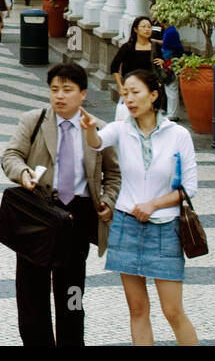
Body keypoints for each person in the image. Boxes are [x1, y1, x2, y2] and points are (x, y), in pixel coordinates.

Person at [2, 62, 120, 347]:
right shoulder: (35, 120)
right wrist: (23, 173)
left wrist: (107, 200)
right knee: (31, 296)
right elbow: (11, 155)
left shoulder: (98, 130)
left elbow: (114, 174)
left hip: (76, 218)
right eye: (54, 89)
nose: (59, 96)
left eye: (67, 90)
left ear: (83, 93)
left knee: (72, 296)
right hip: (39, 215)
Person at [81, 68, 198, 346]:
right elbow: (98, 143)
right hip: (126, 226)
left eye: (136, 92)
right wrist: (89, 131)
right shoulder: (120, 130)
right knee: (137, 309)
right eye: (126, 94)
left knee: (172, 311)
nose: (129, 99)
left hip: (166, 228)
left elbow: (189, 188)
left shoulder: (178, 134)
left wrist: (154, 204)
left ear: (154, 95)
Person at [110, 17, 156, 122]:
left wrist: (162, 63)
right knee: (127, 119)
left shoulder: (155, 48)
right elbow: (114, 67)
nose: (147, 29)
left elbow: (160, 67)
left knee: (147, 119)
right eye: (143, 27)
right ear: (135, 29)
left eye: (149, 27)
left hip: (148, 91)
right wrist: (120, 86)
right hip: (130, 89)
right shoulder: (128, 47)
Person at [157, 18, 186, 121]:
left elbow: (171, 49)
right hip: (171, 60)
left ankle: (172, 113)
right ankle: (171, 112)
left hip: (171, 61)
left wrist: (168, 63)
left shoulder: (170, 32)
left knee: (171, 86)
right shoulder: (170, 30)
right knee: (170, 87)